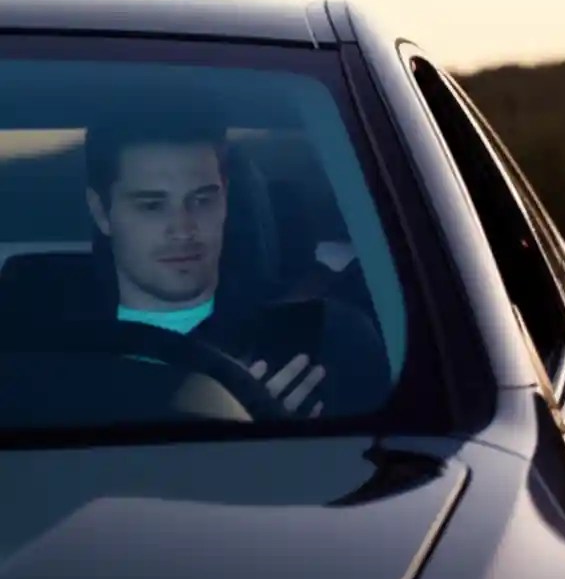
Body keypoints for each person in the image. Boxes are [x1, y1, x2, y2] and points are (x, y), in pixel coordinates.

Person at [80, 109, 390, 418]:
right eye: (152, 206)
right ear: (100, 212)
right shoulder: (54, 351)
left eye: (202, 200)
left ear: (226, 197)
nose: (183, 229)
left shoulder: (320, 342)